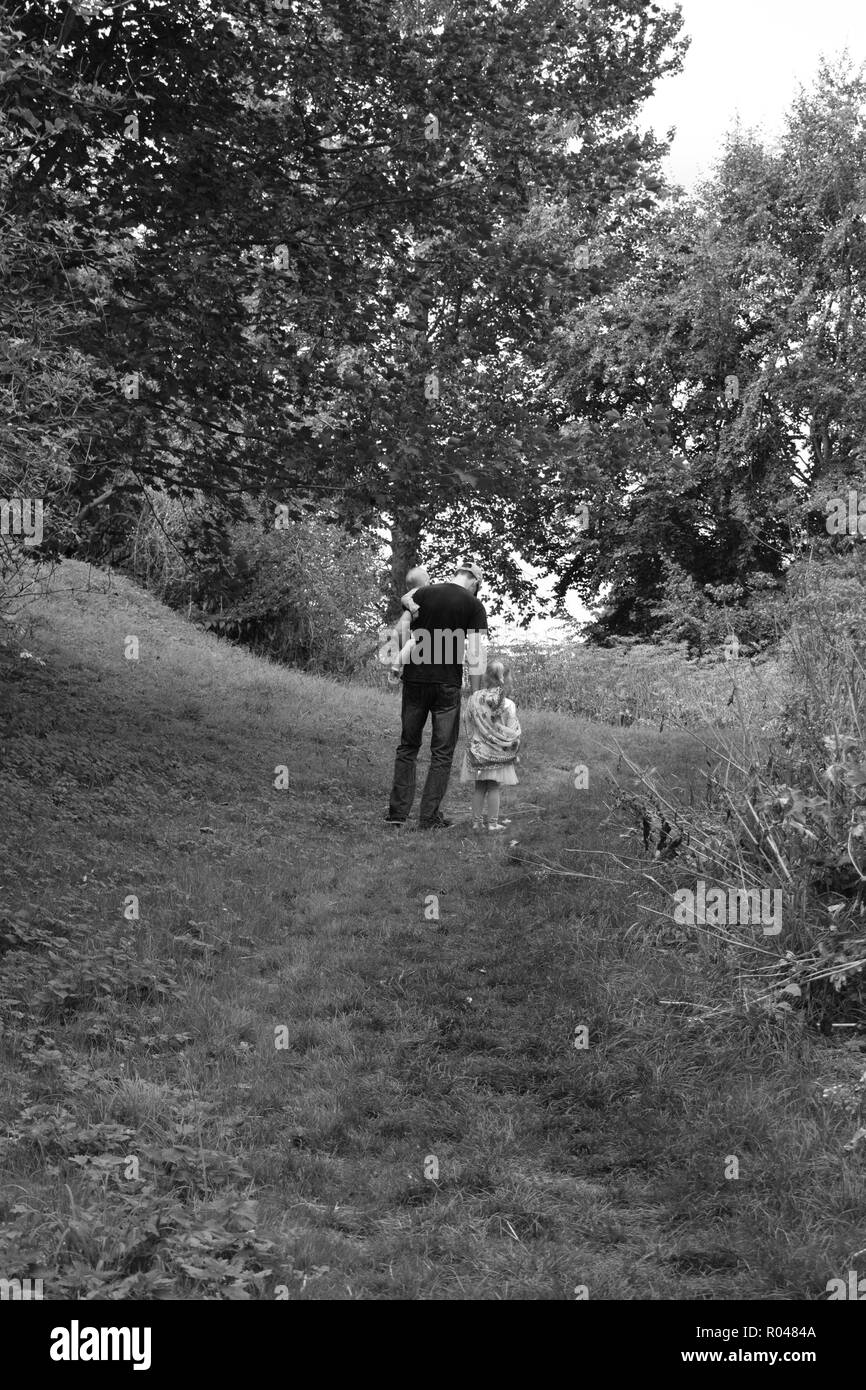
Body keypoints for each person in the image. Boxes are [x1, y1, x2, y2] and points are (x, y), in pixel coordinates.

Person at [385, 561, 487, 829]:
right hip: (446, 686)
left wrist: (398, 662)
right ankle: (428, 817)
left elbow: (399, 632)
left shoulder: (421, 594)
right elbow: (475, 655)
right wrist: (475, 697)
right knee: (442, 753)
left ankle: (397, 815)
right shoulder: (474, 605)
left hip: (416, 680)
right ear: (474, 582)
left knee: (408, 746)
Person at [461, 660, 521, 831]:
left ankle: (476, 822)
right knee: (494, 787)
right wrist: (514, 750)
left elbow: (466, 719)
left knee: (479, 787)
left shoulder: (474, 698)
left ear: (485, 676)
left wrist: (472, 738)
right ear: (506, 679)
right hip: (497, 751)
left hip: (478, 749)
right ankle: (493, 824)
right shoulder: (508, 704)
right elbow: (512, 730)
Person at [388, 564, 431, 682]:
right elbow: (405, 599)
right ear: (426, 582)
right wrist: (414, 609)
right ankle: (396, 667)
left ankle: (397, 667)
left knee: (409, 646)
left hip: (419, 632)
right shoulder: (416, 593)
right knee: (411, 644)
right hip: (420, 635)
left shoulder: (413, 593)